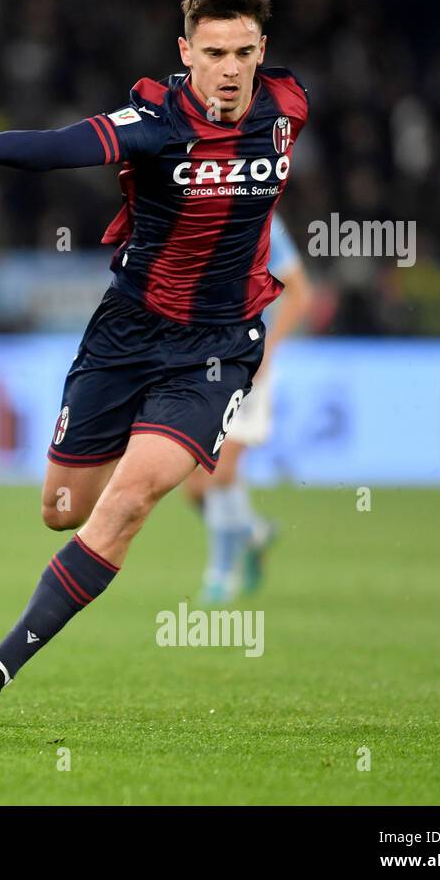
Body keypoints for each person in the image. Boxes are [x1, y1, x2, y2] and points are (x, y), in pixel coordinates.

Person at [0, 0, 309, 723]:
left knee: (127, 505)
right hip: (126, 333)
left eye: (243, 53)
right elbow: (61, 147)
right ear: (186, 53)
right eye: (212, 53)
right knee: (62, 510)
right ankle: (141, 438)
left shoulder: (286, 107)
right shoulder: (157, 118)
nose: (228, 69)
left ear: (262, 53)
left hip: (217, 348)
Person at [183, 211, 311, 603]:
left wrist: (268, 350)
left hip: (246, 362)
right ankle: (252, 533)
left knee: (218, 472)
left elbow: (300, 293)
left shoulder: (262, 220)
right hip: (204, 366)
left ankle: (220, 578)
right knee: (194, 489)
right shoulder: (193, 214)